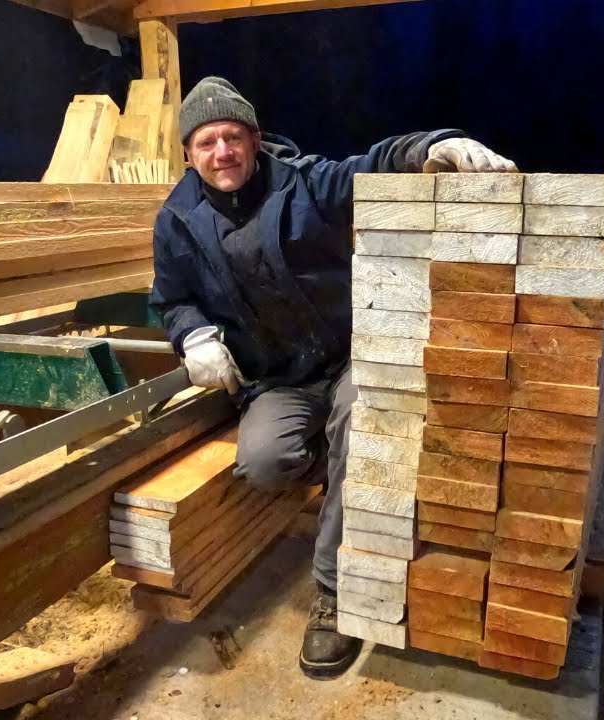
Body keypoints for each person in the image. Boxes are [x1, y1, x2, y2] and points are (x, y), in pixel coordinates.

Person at [149, 77, 518, 679]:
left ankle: (334, 591)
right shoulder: (177, 220)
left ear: (256, 140)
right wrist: (190, 333)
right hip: (277, 378)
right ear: (189, 153)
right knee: (265, 464)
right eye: (208, 141)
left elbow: (370, 163)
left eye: (234, 137)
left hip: (348, 357)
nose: (223, 153)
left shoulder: (301, 183)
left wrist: (439, 145)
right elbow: (170, 299)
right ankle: (341, 465)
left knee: (362, 419)